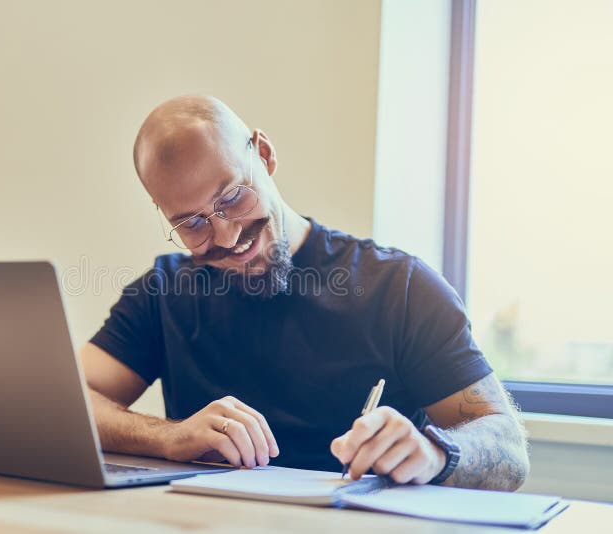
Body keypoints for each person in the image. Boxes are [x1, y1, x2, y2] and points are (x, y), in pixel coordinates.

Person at [79, 95, 529, 490]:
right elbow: (71, 399)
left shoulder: (399, 288)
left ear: (266, 155)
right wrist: (169, 437)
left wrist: (433, 453)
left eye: (233, 196)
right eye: (192, 223)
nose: (228, 234)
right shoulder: (165, 292)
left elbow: (507, 449)